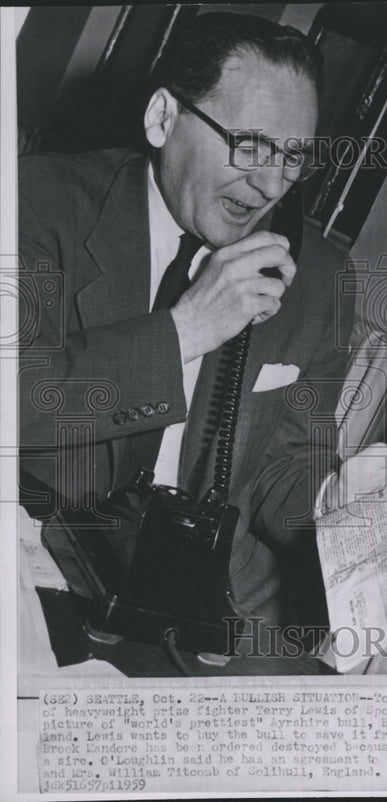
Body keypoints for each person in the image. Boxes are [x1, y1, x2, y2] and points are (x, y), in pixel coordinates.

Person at [18, 12, 355, 633]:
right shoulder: (34, 201)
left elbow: (289, 466)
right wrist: (189, 328)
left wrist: (350, 519)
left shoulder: (322, 279)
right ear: (163, 118)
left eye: (295, 156)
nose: (271, 182)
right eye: (249, 144)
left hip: (187, 598)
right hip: (34, 553)